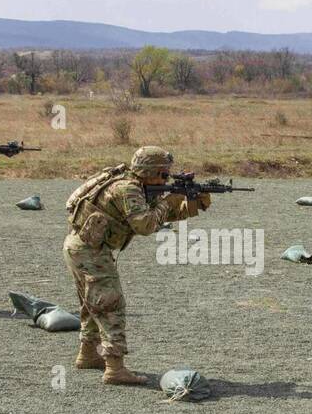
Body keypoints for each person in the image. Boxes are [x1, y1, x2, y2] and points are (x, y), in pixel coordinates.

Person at [62, 146, 209, 385]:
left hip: (83, 248)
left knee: (93, 305)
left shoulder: (134, 185)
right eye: (163, 174)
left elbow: (156, 215)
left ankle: (88, 354)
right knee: (110, 305)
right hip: (90, 253)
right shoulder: (128, 188)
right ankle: (115, 369)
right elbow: (146, 224)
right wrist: (168, 201)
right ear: (149, 171)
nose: (166, 179)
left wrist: (190, 204)